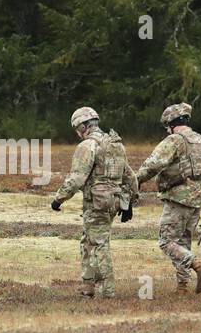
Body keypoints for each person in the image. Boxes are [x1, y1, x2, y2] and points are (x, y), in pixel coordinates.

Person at [51, 107, 140, 298]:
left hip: (97, 203)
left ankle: (108, 291)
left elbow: (77, 179)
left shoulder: (88, 146)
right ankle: (88, 284)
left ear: (83, 126)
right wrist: (130, 201)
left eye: (77, 130)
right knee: (88, 240)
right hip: (114, 202)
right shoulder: (116, 144)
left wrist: (58, 199)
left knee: (100, 244)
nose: (77, 134)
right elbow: (129, 176)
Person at [134, 103, 201, 294]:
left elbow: (153, 165)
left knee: (166, 242)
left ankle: (197, 265)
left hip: (178, 198)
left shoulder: (175, 140)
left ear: (170, 124)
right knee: (184, 242)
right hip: (196, 199)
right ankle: (182, 287)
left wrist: (134, 181)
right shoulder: (198, 139)